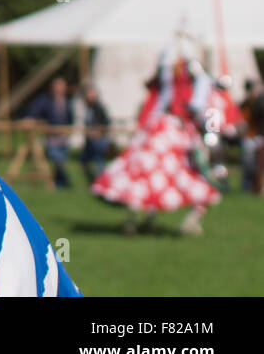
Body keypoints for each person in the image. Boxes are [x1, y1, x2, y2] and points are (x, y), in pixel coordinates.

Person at [91, 36, 222, 235]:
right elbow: (195, 105)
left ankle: (136, 220)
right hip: (174, 130)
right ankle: (149, 219)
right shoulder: (187, 77)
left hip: (165, 129)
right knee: (171, 174)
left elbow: (162, 102)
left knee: (146, 172)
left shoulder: (171, 76)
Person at [26, 77, 74, 189]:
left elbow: (70, 119)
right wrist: (31, 119)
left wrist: (67, 133)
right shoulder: (46, 100)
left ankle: (61, 182)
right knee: (57, 159)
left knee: (61, 161)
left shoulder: (68, 101)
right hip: (51, 137)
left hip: (63, 137)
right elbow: (35, 111)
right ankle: (64, 181)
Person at [80, 85, 111, 182]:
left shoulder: (99, 108)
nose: (90, 97)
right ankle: (94, 181)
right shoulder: (87, 108)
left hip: (99, 140)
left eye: (92, 95)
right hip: (89, 140)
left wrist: (98, 132)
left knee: (99, 162)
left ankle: (101, 182)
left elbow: (106, 123)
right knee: (84, 160)